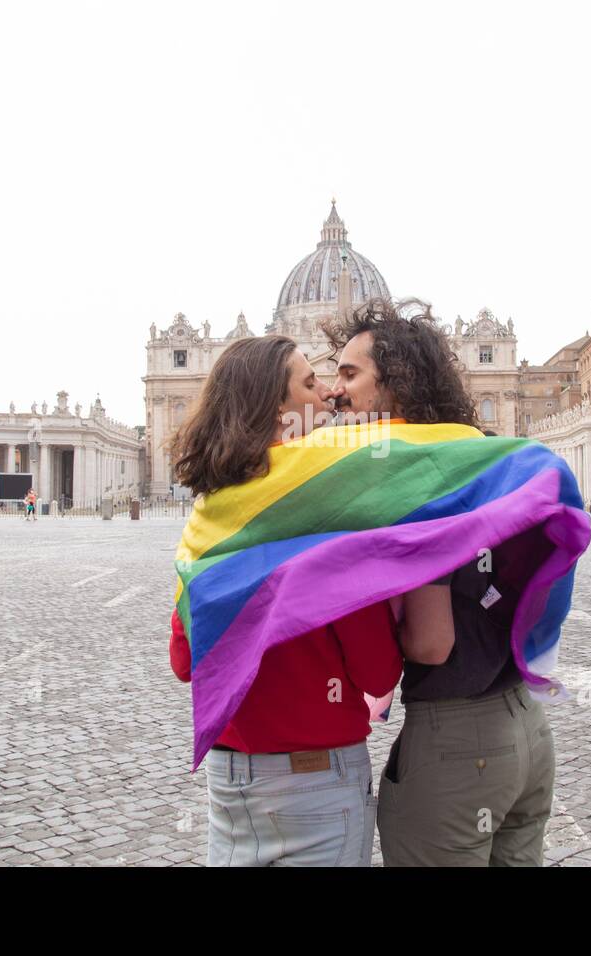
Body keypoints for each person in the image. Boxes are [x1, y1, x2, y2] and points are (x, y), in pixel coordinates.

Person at [324, 298, 555, 867]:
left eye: (350, 374)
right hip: (525, 731)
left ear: (395, 386)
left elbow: (432, 643)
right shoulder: (476, 461)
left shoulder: (416, 485)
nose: (334, 390)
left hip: (459, 742)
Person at [168, 334, 402, 867]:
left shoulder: (214, 515)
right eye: (309, 381)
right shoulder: (330, 511)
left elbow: (185, 660)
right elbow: (377, 672)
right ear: (278, 407)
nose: (326, 392)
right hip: (315, 784)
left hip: (232, 787)